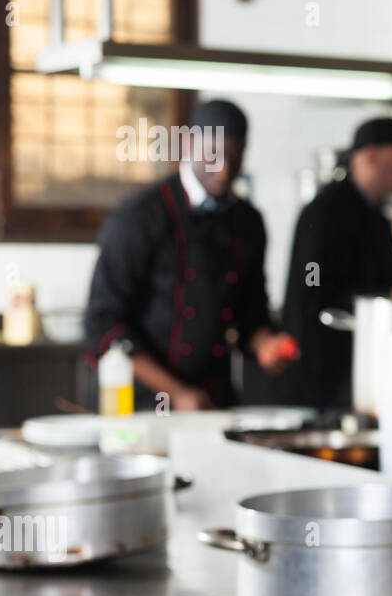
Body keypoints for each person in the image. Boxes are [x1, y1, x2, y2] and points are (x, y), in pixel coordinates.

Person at [84, 99, 295, 411]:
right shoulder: (139, 216)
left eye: (235, 158)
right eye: (214, 156)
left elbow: (250, 313)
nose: (224, 171)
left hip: (213, 400)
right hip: (138, 401)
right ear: (188, 145)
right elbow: (104, 322)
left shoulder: (249, 222)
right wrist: (176, 392)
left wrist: (267, 344)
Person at [277, 117, 392, 409]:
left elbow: (382, 286)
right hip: (325, 381)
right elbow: (314, 297)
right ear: (371, 158)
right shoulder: (323, 214)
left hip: (368, 372)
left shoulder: (377, 216)